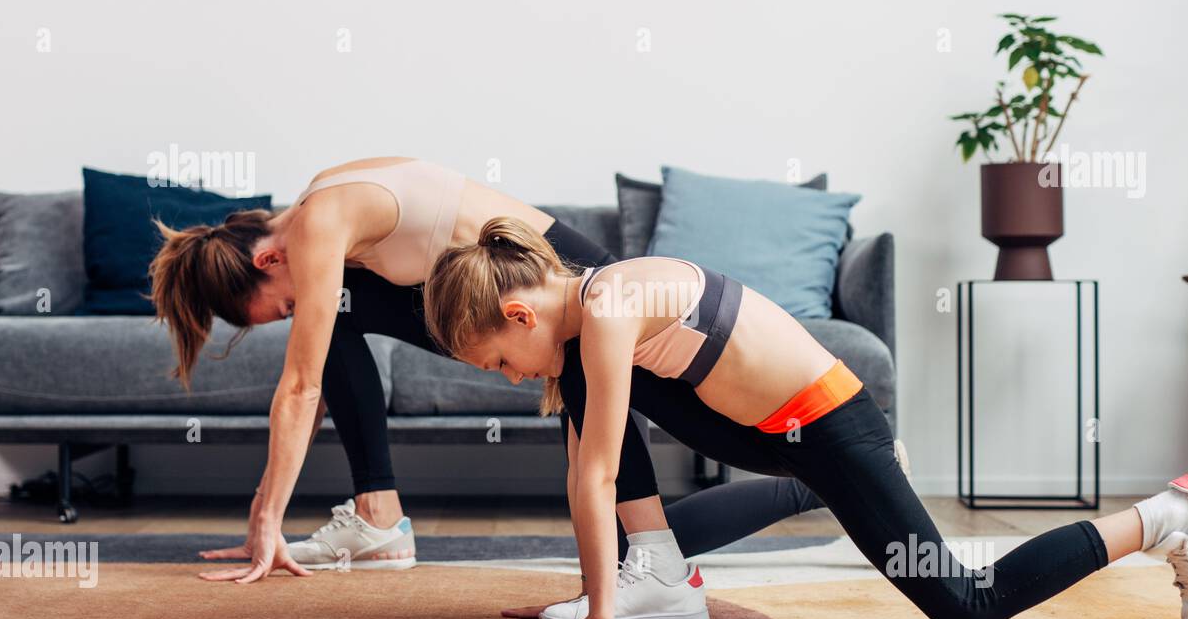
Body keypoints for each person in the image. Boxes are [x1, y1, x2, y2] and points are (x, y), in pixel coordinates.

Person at [424, 217, 1188, 619]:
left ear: (519, 311)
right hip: (770, 433)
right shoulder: (580, 334)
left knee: (963, 602)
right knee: (583, 399)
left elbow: (597, 475)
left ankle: (1176, 511)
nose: (508, 375)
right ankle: (658, 573)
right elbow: (587, 467)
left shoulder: (606, 308)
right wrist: (600, 592)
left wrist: (599, 615)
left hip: (830, 426)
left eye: (498, 358)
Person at [148, 157, 822, 591]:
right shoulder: (320, 203)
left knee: (639, 539)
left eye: (285, 306)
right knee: (340, 319)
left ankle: (821, 478)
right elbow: (322, 364)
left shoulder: (318, 223)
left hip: (558, 282)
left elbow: (299, 387)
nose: (298, 313)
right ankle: (379, 519)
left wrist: (265, 516)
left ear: (267, 262)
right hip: (496, 295)